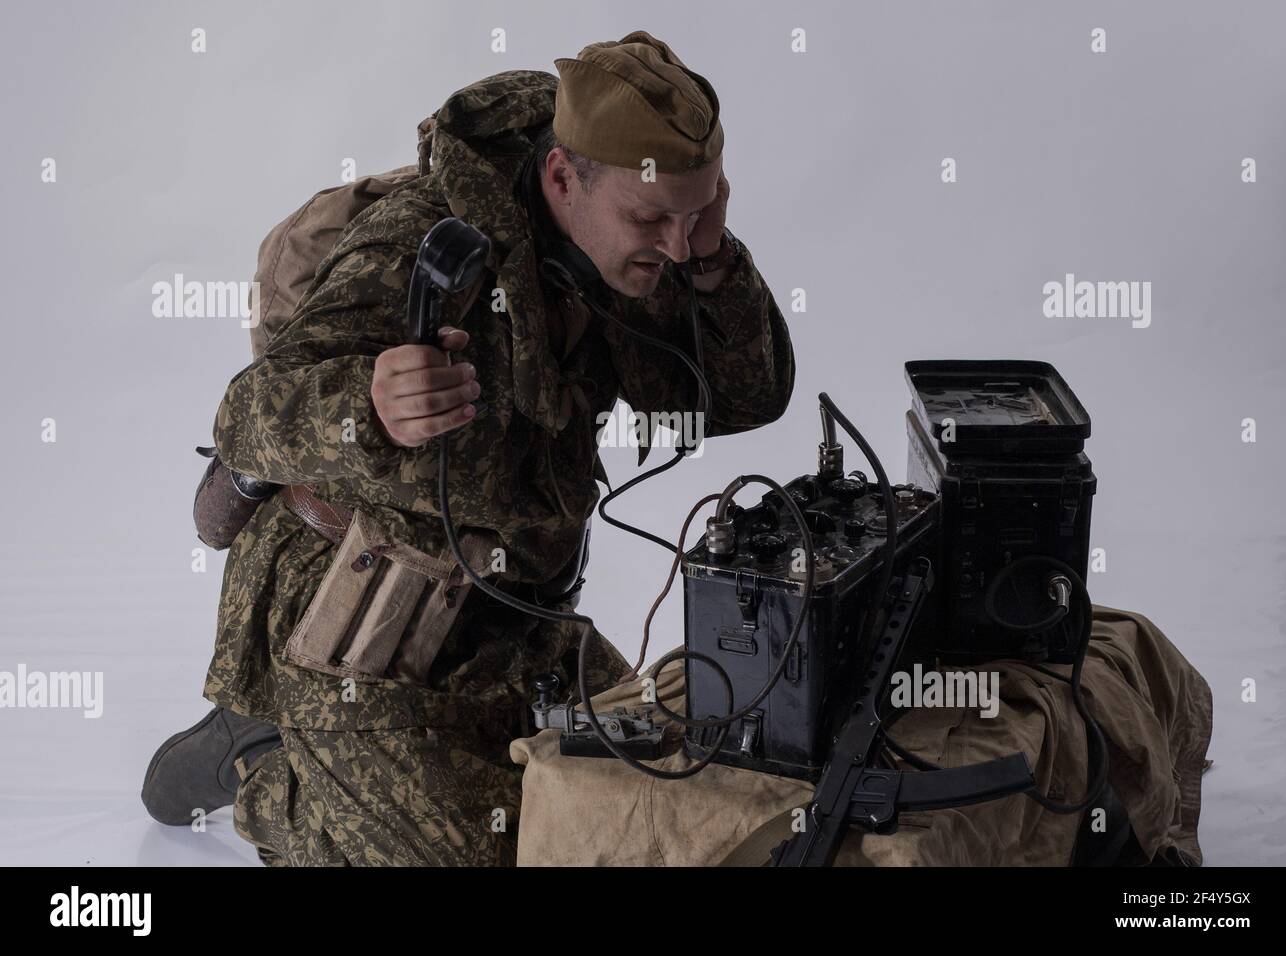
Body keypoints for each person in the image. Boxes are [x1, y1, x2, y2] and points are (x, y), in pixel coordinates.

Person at [141, 30, 796, 865]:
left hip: (513, 612)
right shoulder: (423, 242)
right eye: (655, 219)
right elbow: (246, 416)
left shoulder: (638, 248)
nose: (675, 243)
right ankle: (266, 762)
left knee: (650, 791)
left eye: (698, 212)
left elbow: (742, 397)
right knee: (489, 855)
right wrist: (370, 407)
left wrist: (713, 263)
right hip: (360, 622)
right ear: (565, 178)